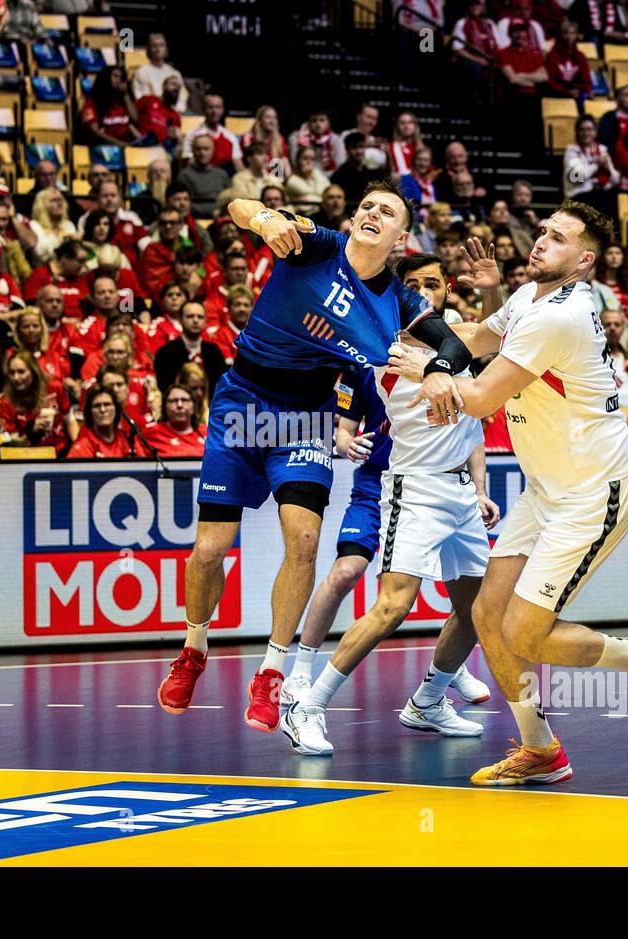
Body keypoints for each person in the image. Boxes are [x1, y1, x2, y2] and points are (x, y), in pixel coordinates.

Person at [386, 208, 628, 786]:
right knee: (486, 614)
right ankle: (540, 749)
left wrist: (430, 364)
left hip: (594, 493)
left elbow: (475, 397)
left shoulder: (563, 316)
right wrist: (413, 323)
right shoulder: (529, 298)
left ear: (585, 261)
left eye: (559, 238)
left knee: (524, 631)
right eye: (542, 232)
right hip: (546, 489)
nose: (541, 242)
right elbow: (478, 339)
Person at [155, 181, 471, 733]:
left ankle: (273, 674)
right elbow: (238, 205)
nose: (373, 212)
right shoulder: (317, 245)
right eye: (367, 204)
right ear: (354, 216)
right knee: (209, 551)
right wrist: (261, 221)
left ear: (400, 236)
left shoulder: (399, 299)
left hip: (307, 415)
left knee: (303, 543)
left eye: (388, 211)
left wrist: (442, 367)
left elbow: (454, 343)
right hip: (243, 404)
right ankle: (194, 648)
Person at [281, 253, 493, 711]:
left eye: (431, 285)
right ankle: (308, 700)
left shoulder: (455, 336)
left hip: (459, 489)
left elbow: (496, 348)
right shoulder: (383, 350)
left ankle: (430, 699)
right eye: (412, 286)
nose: (422, 294)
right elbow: (473, 371)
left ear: (445, 289)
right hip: (411, 487)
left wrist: (492, 290)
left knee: (479, 609)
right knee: (391, 605)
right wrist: (441, 366)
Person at [144, 384, 207, 456]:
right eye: (174, 401)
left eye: (184, 400)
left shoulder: (207, 432)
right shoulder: (151, 432)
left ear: (194, 406)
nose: (179, 405)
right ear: (165, 406)